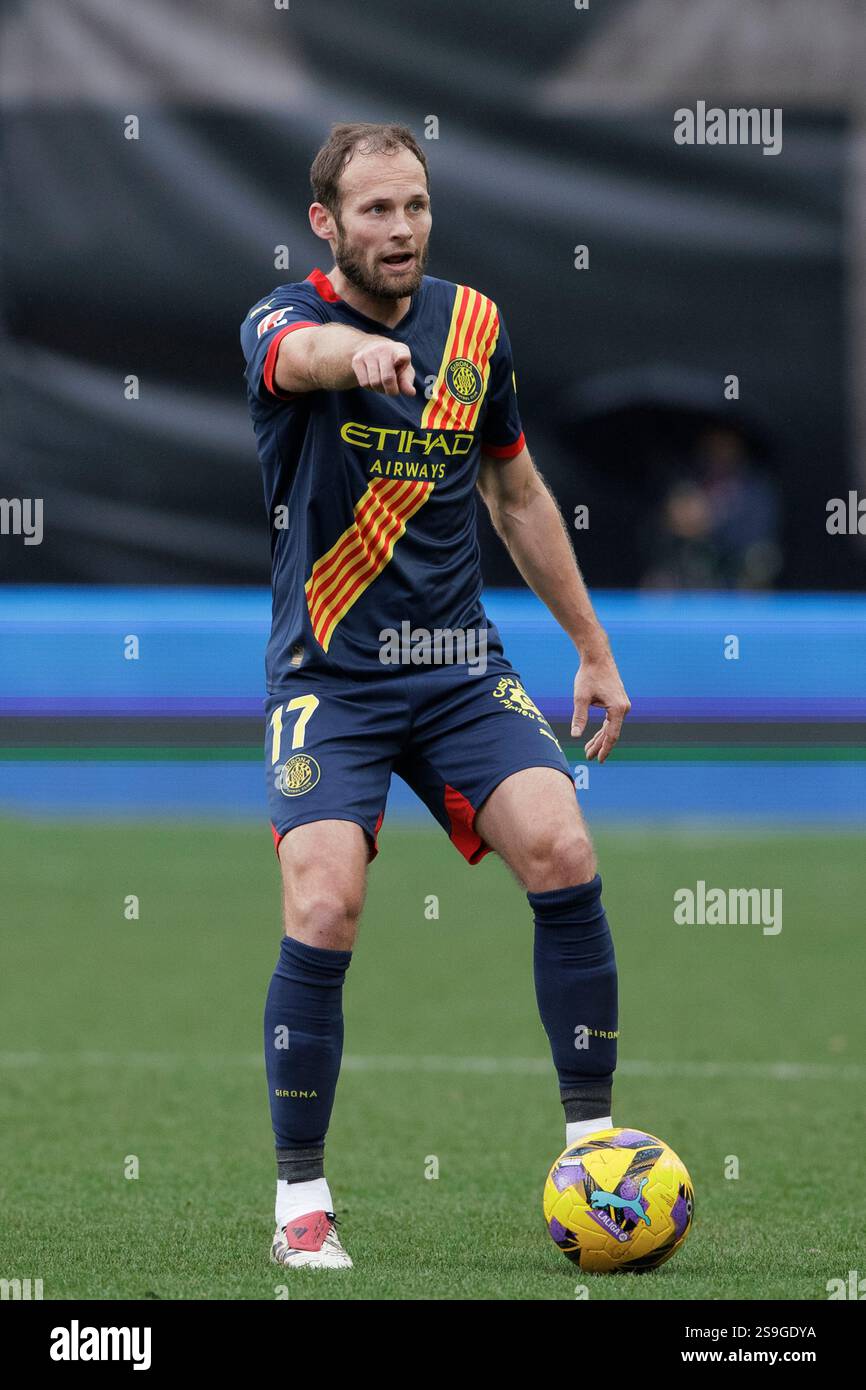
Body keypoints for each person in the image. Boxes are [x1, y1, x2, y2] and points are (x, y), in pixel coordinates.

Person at [239, 122, 630, 1269]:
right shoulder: (280, 320)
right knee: (324, 905)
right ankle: (300, 1199)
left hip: (457, 667)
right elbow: (299, 358)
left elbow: (516, 493)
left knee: (560, 845)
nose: (401, 227)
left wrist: (590, 647)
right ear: (325, 224)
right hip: (330, 679)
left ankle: (594, 1151)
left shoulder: (473, 327)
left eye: (414, 205)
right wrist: (351, 358)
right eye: (375, 210)